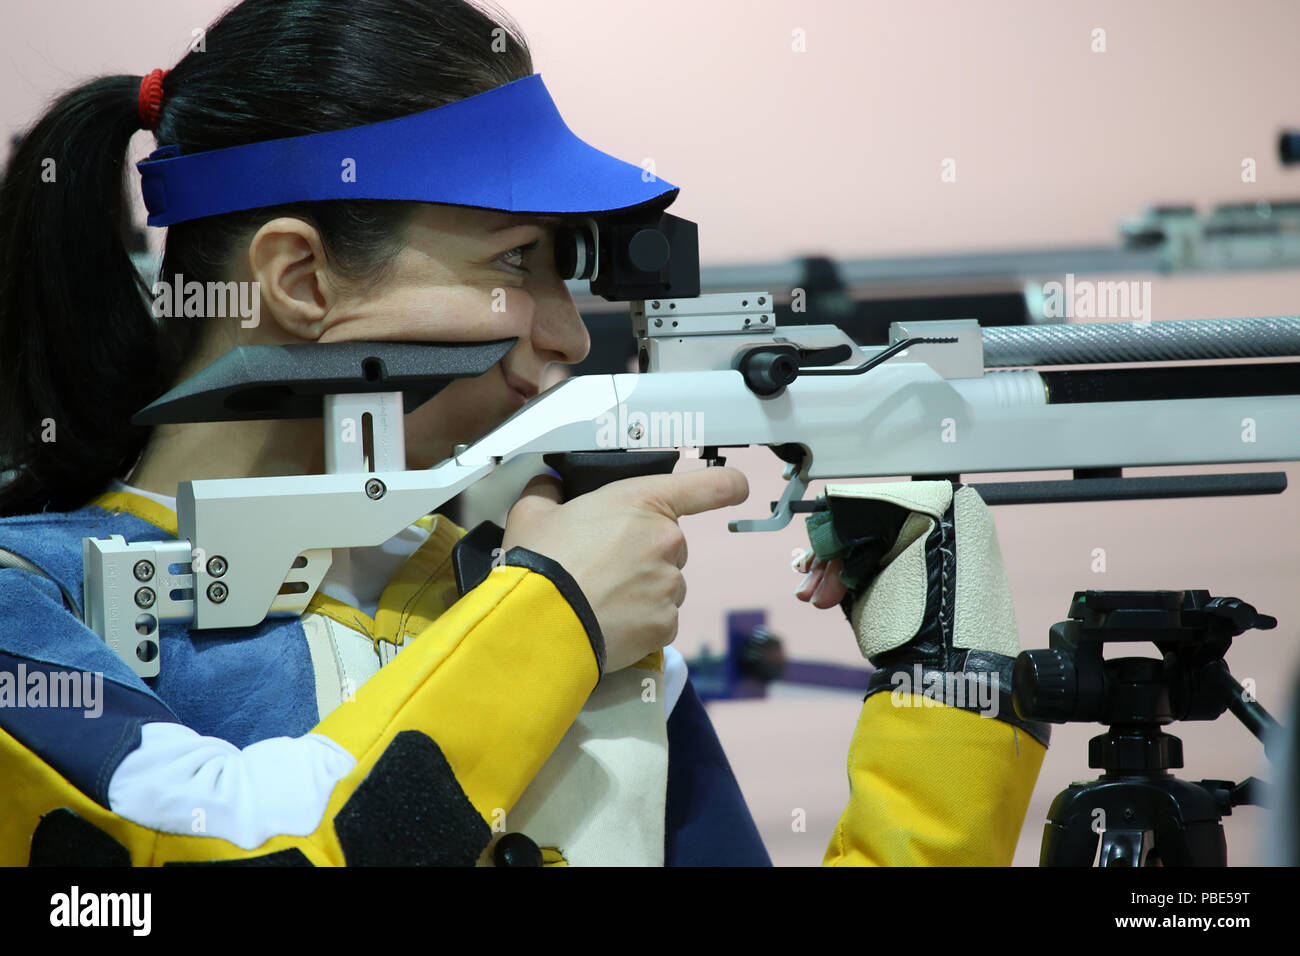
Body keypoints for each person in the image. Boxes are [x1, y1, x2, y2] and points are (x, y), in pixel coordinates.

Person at [0, 0, 1047, 867]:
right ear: (301, 278)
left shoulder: (540, 598)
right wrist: (556, 615)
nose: (561, 335)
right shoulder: (24, 605)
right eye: (515, 263)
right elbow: (229, 850)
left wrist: (945, 688)